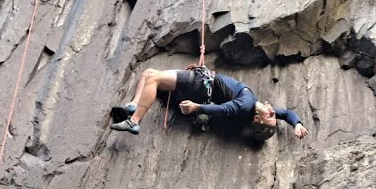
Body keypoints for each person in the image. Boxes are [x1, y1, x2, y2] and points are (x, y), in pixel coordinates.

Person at [109, 66, 309, 141]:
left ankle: (134, 121)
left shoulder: (246, 105)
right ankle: (135, 104)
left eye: (270, 116)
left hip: (201, 84)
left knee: (154, 80)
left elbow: (224, 109)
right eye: (274, 115)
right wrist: (297, 124)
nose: (273, 112)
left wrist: (197, 107)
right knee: (148, 73)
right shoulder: (254, 106)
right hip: (203, 81)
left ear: (257, 118)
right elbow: (287, 113)